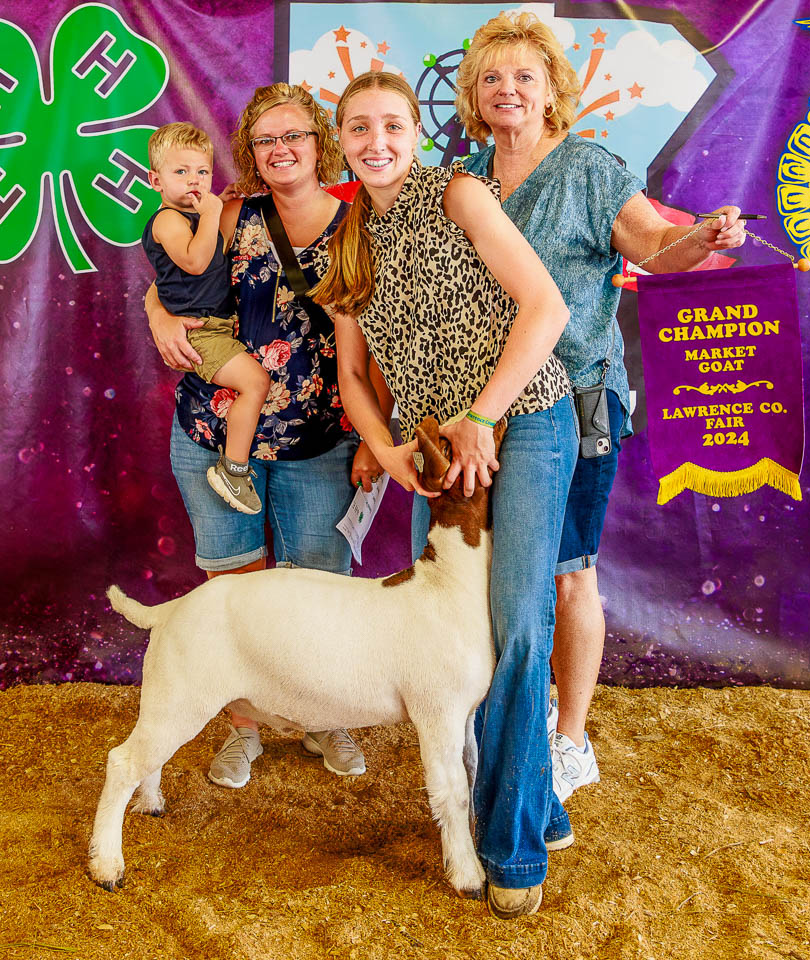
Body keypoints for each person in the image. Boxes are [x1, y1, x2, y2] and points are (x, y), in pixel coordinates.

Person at [454, 11, 749, 803]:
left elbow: (654, 245)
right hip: (494, 410)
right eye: (492, 77)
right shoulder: (470, 179)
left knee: (567, 575)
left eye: (524, 76)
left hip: (576, 401)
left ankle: (572, 739)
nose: (507, 89)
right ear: (473, 97)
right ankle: (520, 715)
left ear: (553, 90)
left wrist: (706, 238)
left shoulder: (588, 167)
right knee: (501, 582)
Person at [312, 70, 574, 919]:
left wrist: (482, 417)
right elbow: (353, 375)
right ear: (339, 141)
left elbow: (547, 308)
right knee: (461, 637)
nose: (376, 142)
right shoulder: (346, 242)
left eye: (393, 124)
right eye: (359, 129)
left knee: (519, 626)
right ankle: (541, 801)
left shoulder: (460, 193)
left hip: (524, 419)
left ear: (416, 132)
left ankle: (512, 845)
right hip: (431, 450)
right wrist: (387, 452)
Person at [145, 84, 384, 785]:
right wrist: (157, 315)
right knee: (234, 593)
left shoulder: (358, 223)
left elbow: (378, 339)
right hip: (216, 437)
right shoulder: (228, 211)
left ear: (321, 143)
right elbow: (174, 277)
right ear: (250, 151)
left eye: (296, 136)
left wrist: (378, 433)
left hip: (323, 442)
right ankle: (244, 724)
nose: (282, 150)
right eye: (266, 140)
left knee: (320, 591)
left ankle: (323, 716)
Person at [143, 122, 271, 516]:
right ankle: (233, 469)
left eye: (202, 172)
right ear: (155, 180)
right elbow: (198, 262)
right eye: (180, 172)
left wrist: (219, 204)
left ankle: (233, 463)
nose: (194, 182)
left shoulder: (195, 215)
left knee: (252, 383)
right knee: (256, 383)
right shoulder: (167, 220)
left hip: (215, 324)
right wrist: (214, 210)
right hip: (200, 329)